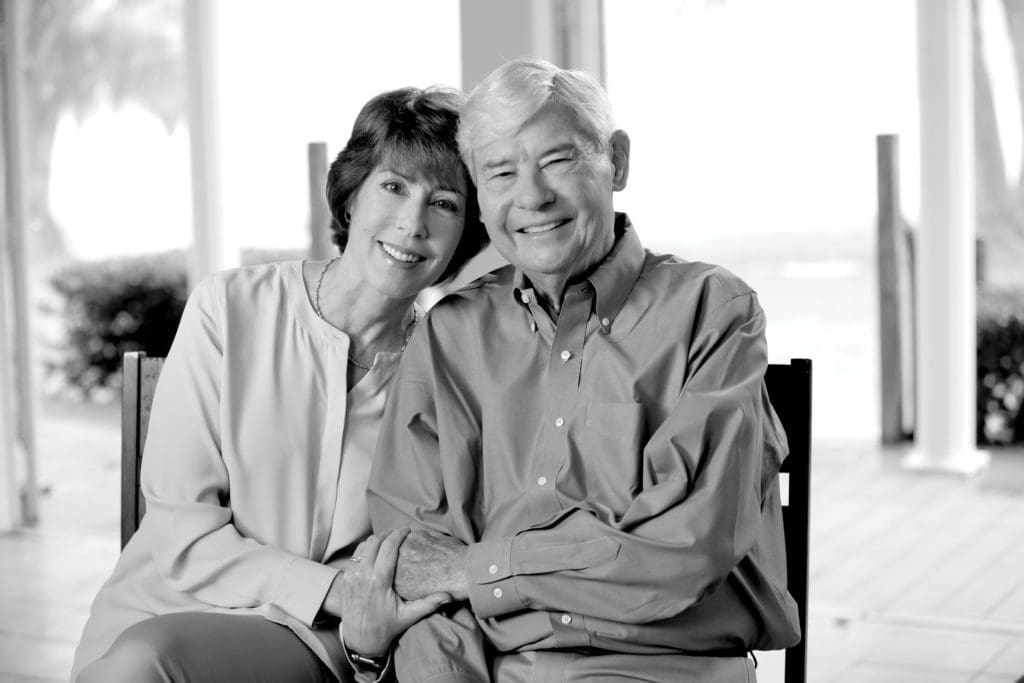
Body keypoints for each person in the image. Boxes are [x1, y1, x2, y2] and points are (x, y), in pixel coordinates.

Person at [367, 57, 801, 682]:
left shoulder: (712, 310)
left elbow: (684, 550)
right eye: (500, 172)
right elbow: (414, 565)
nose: (532, 196)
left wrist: (476, 571)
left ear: (616, 161)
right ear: (480, 196)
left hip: (670, 669)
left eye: (558, 159)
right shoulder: (451, 335)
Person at [71, 85, 489, 683]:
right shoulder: (228, 306)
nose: (412, 223)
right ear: (351, 197)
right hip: (166, 602)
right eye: (394, 187)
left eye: (444, 203)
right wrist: (342, 592)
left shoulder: (447, 368)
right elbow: (181, 527)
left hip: (305, 637)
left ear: (464, 234)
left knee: (145, 664)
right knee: (136, 661)